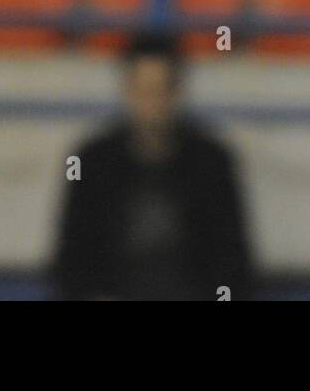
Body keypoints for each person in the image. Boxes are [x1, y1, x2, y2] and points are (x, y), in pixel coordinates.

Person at [52, 32, 254, 301]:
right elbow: (71, 261)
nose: (151, 104)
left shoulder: (212, 162)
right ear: (127, 90)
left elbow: (233, 263)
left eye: (160, 90)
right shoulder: (92, 162)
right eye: (143, 91)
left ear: (177, 91)